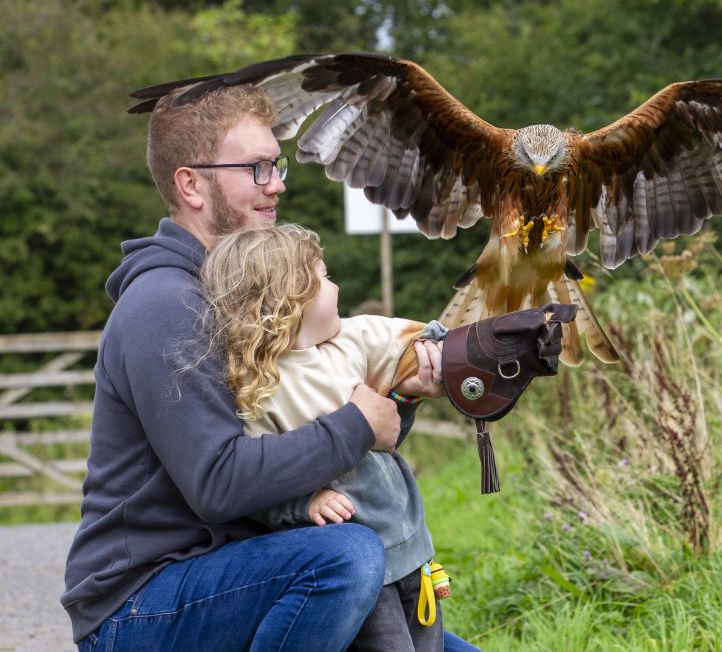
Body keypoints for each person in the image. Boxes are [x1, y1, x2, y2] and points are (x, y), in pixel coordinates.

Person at [61, 83, 477, 651]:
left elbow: (307, 419)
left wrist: (395, 399)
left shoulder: (248, 290)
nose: (277, 183)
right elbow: (220, 482)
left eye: (276, 165)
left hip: (248, 566)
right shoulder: (165, 306)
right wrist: (357, 425)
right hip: (142, 604)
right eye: (257, 167)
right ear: (191, 184)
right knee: (346, 558)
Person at [200, 222, 450, 651]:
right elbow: (258, 486)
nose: (336, 286)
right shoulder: (259, 388)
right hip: (365, 570)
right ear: (287, 300)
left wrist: (414, 386)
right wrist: (306, 502)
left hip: (414, 552)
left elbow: (403, 351)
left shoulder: (345, 346)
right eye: (324, 276)